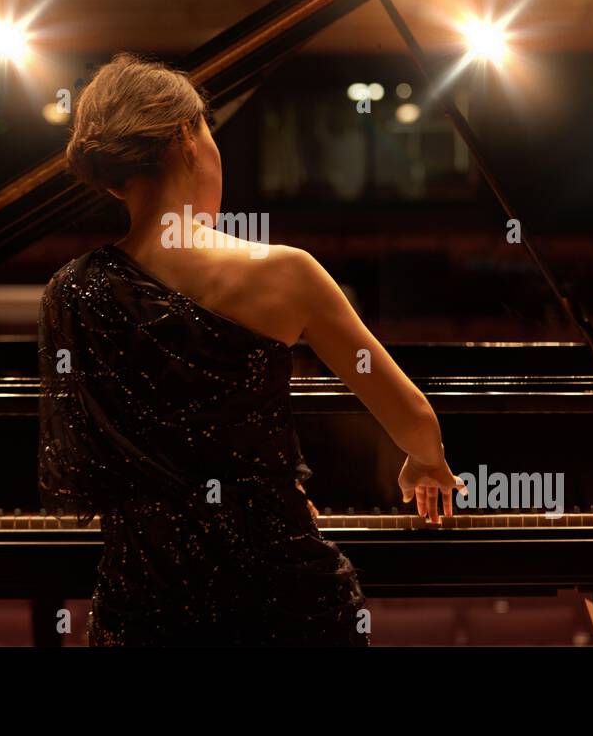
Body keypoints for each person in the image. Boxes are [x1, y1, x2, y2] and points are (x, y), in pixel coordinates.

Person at [37, 53, 462, 646]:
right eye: (209, 130)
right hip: (279, 592)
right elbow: (414, 418)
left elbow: (90, 469)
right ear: (187, 136)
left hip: (148, 598)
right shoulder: (288, 273)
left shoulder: (71, 291)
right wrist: (426, 463)